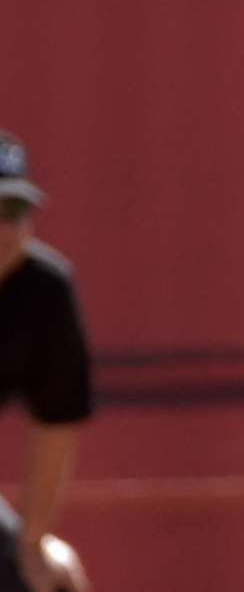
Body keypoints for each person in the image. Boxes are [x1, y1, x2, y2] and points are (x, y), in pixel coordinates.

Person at [0, 134, 92, 592]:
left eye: (14, 212)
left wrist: (33, 544)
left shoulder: (44, 292)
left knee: (56, 581)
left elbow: (58, 418)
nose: (4, 229)